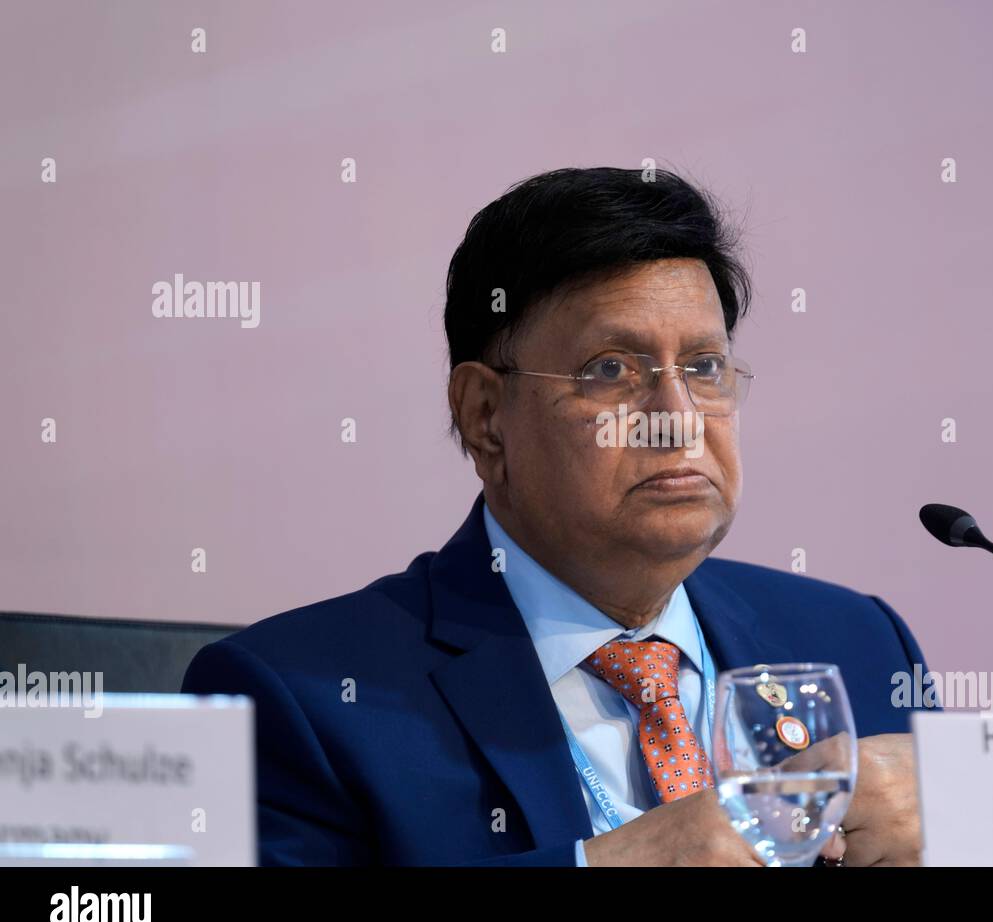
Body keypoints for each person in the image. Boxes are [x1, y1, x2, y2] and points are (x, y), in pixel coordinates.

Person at [182, 166, 932, 866]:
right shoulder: (300, 702)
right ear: (485, 417)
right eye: (611, 370)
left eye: (704, 368)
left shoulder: (861, 644)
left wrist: (973, 826)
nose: (677, 419)